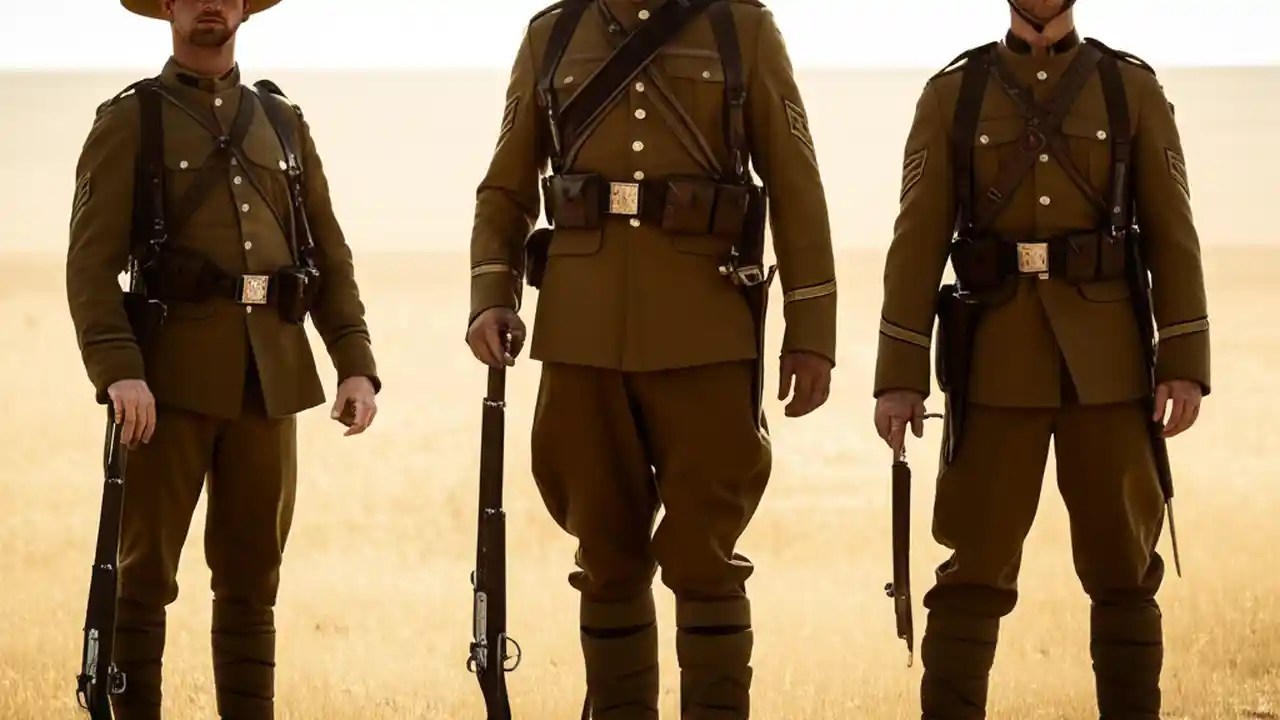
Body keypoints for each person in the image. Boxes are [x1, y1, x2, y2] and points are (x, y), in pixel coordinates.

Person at [465, 0, 837, 716]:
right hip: (582, 335)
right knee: (606, 560)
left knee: (707, 561)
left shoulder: (742, 28)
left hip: (707, 328)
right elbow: (505, 188)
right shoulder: (554, 35)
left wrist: (811, 329)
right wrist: (491, 293)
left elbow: (796, 185)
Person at [872, 0, 1210, 717]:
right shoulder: (953, 94)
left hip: (1110, 372)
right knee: (970, 577)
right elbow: (916, 242)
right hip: (992, 367)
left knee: (1124, 572)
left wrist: (1184, 356)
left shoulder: (1129, 89)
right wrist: (899, 377)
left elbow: (1173, 232)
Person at [66, 1, 380, 717]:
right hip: (165, 385)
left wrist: (353, 361)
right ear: (169, 8)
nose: (212, 4)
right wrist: (120, 371)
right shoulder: (131, 121)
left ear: (242, 8)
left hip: (269, 382)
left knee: (252, 581)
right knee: (143, 578)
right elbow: (89, 268)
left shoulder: (283, 123)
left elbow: (327, 253)